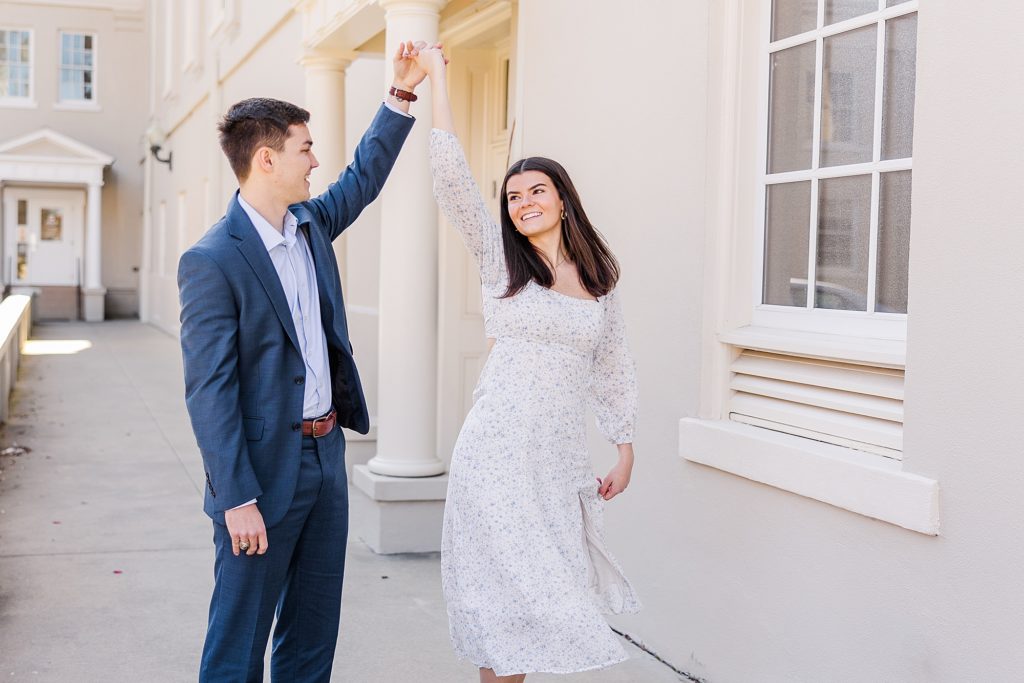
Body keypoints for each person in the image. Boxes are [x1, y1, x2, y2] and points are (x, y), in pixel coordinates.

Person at [177, 41, 431, 682]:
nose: (317, 160)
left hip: (325, 459)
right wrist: (236, 498)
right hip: (258, 478)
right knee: (239, 642)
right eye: (305, 148)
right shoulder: (212, 261)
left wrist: (401, 92)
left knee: (313, 634)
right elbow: (210, 391)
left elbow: (364, 178)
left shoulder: (311, 225)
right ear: (267, 159)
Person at [411, 46, 642, 682]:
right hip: (498, 455)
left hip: (558, 459)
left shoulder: (599, 280)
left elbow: (613, 363)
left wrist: (622, 446)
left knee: (544, 608)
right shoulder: (501, 264)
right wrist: (438, 80)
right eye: (513, 197)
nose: (524, 202)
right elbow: (453, 182)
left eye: (537, 190)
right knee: (507, 610)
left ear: (563, 200)